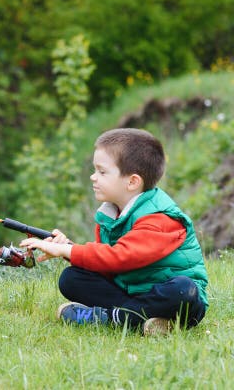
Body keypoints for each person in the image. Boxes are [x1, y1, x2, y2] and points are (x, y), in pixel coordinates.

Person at [19, 128, 208, 335]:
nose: (93, 177)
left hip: (177, 300)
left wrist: (69, 251)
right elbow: (107, 266)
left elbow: (121, 257)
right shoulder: (110, 214)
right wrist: (68, 248)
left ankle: (111, 317)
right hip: (133, 292)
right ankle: (145, 321)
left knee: (182, 289)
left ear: (132, 182)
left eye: (102, 172)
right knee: (71, 279)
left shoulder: (159, 218)